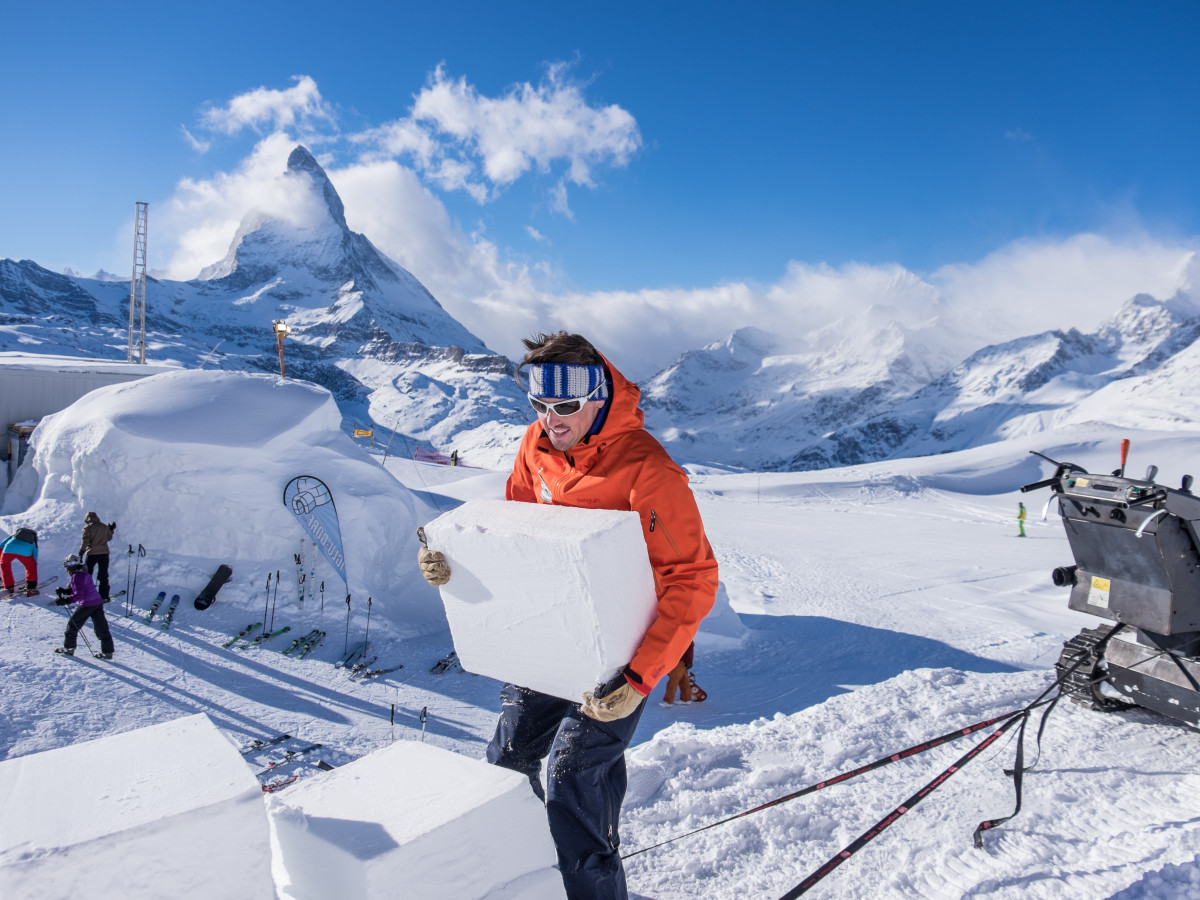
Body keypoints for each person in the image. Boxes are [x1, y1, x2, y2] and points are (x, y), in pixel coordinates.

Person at [418, 331, 718, 900]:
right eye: (539, 404)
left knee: (574, 778)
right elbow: (514, 535)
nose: (549, 419)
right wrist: (453, 563)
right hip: (551, 633)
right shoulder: (535, 445)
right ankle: (530, 881)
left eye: (565, 406)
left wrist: (640, 678)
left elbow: (692, 577)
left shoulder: (648, 470)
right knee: (507, 763)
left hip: (623, 651)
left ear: (597, 398)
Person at [54, 555, 114, 659]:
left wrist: (66, 600)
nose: (65, 568)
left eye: (66, 565)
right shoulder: (83, 572)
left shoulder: (76, 576)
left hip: (87, 604)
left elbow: (79, 595)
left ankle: (69, 648)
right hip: (97, 602)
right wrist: (65, 591)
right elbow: (79, 589)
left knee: (72, 625)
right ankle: (107, 652)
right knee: (101, 627)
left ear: (71, 566)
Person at [78, 512, 116, 601]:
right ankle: (104, 596)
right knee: (103, 575)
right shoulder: (104, 526)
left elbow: (85, 541)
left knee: (87, 574)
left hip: (92, 554)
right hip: (104, 554)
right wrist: (111, 530)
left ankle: (87, 594)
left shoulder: (88, 528)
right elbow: (109, 538)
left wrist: (81, 552)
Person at [1, 527, 40, 596]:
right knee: (31, 568)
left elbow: (2, 544)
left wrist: (1, 558)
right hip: (25, 552)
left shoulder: (14, 536)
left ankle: (9, 586)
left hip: (8, 549)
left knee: (5, 566)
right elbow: (35, 552)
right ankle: (31, 589)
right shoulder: (33, 539)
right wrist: (34, 563)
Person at [661, 642, 695, 706]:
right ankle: (686, 699)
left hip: (679, 662)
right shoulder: (680, 638)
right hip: (678, 661)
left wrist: (689, 662)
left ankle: (668, 701)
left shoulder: (687, 639)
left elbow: (690, 650)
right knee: (683, 681)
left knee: (673, 681)